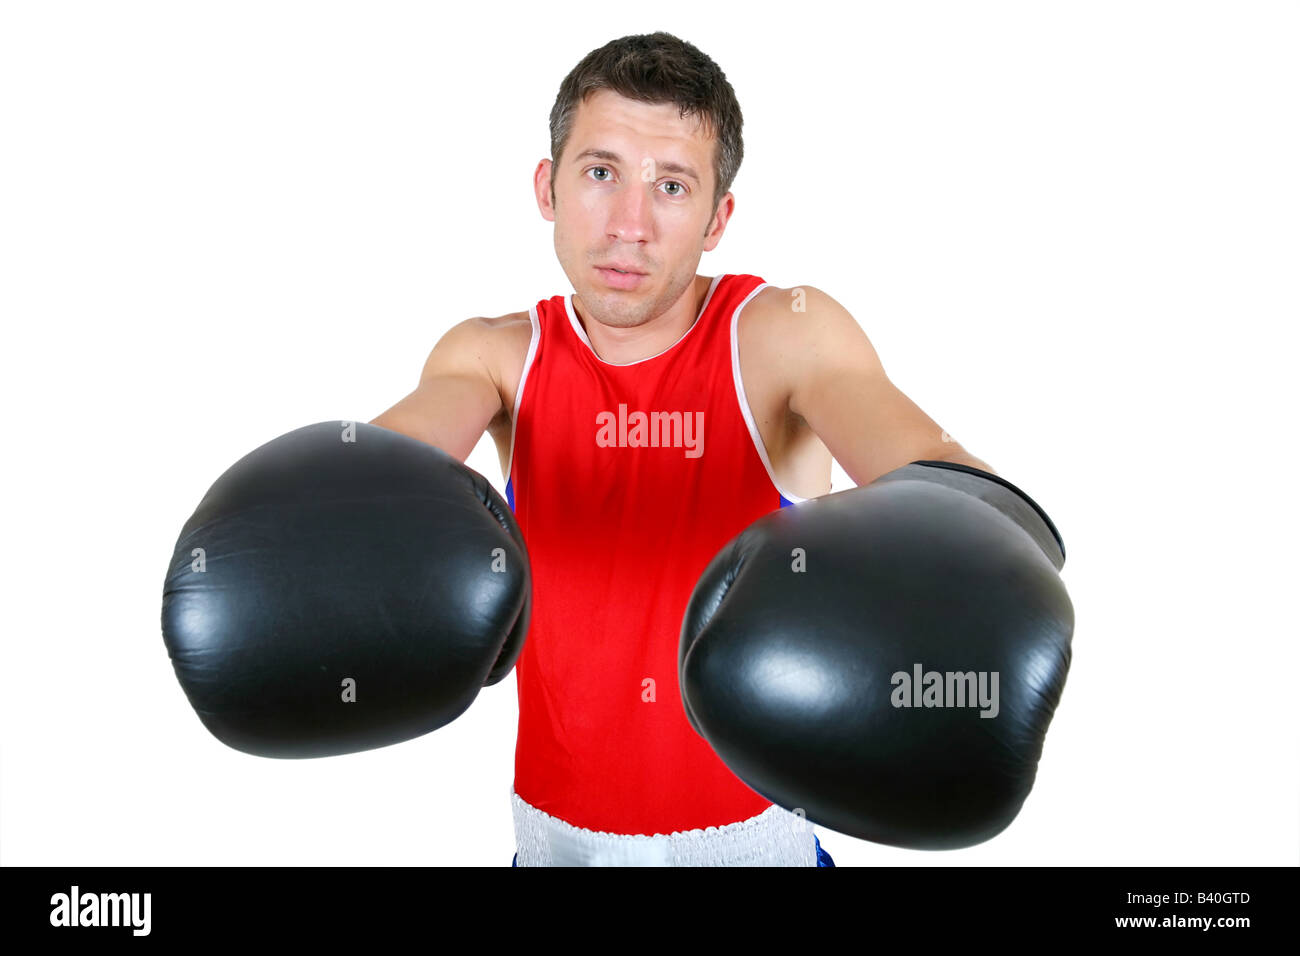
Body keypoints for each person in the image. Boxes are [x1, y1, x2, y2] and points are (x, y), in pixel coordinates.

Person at [369, 33, 1004, 867]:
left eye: (672, 185)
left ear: (718, 219)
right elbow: (375, 485)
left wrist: (974, 562)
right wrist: (333, 535)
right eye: (600, 173)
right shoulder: (493, 357)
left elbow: (943, 486)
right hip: (553, 848)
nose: (629, 225)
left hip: (755, 849)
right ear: (546, 187)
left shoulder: (780, 338)